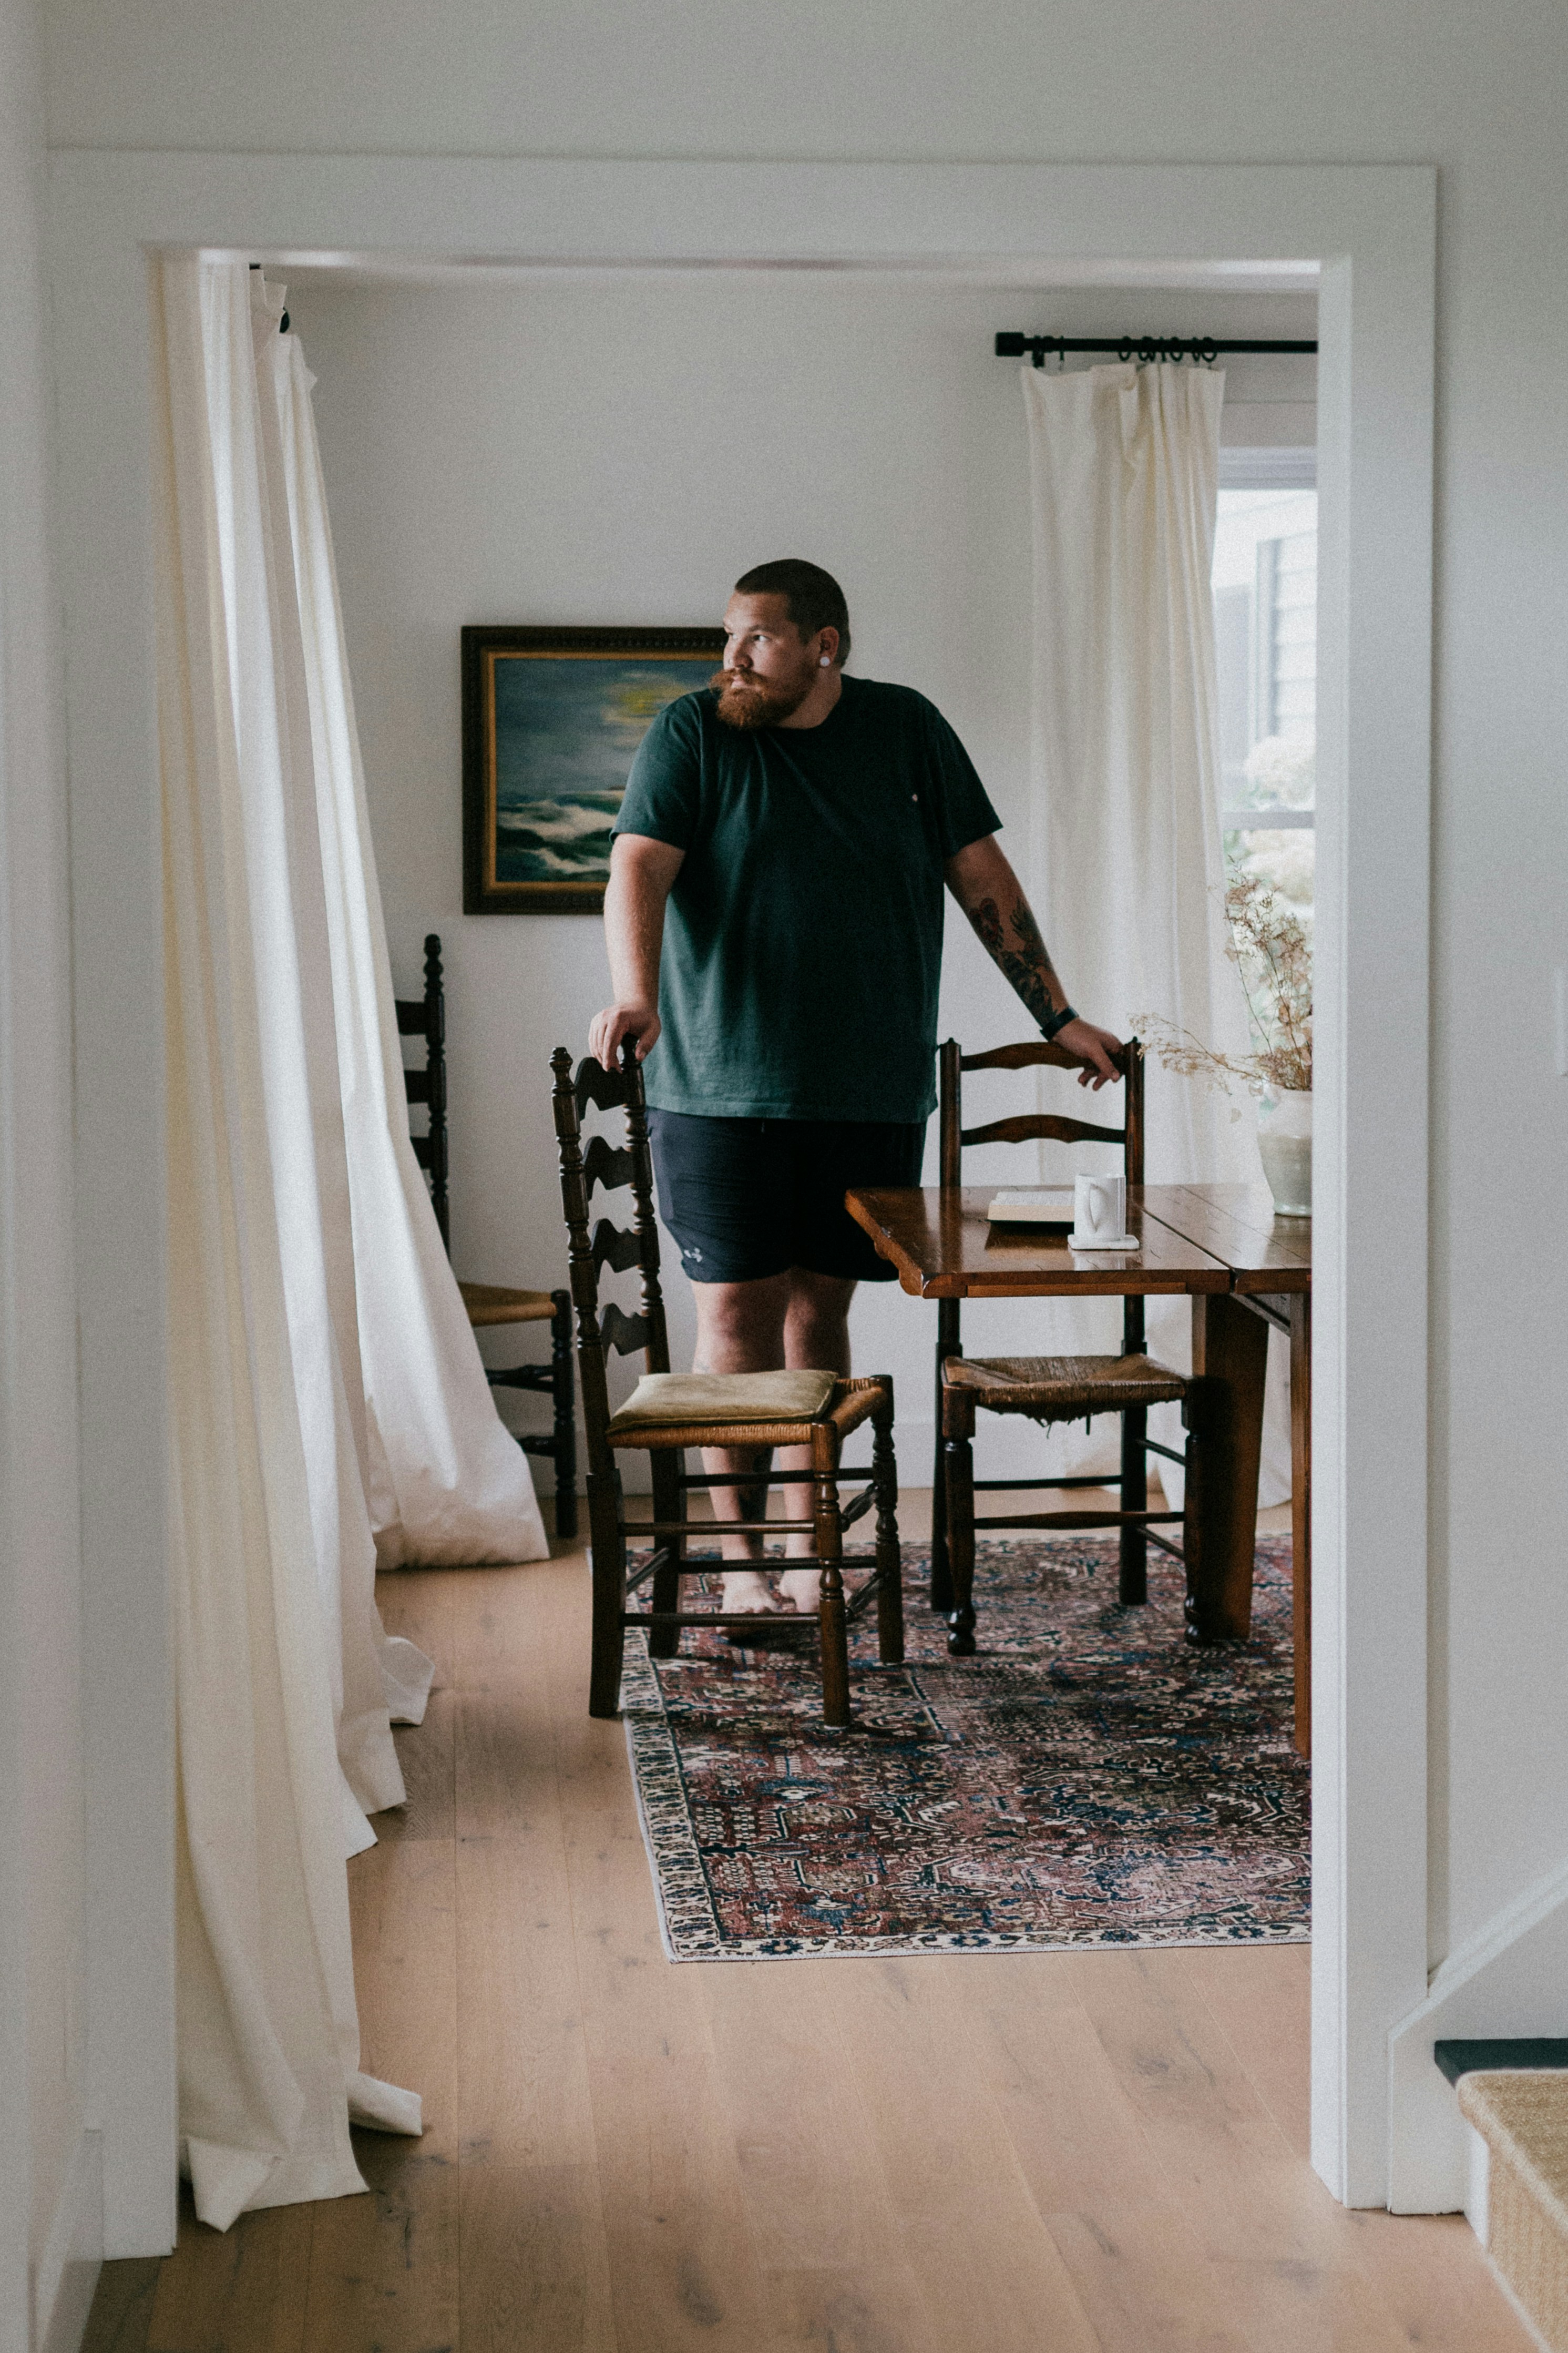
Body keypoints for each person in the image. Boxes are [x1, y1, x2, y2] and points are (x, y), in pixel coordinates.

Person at [589, 558, 1122, 1618]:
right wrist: (633, 994)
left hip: (867, 1087)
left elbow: (983, 879)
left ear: (825, 643)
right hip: (717, 1089)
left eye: (760, 638)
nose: (734, 657)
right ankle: (743, 1569)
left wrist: (1054, 1017)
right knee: (734, 1317)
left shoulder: (908, 729)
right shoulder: (693, 733)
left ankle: (806, 1550)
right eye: (730, 635)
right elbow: (638, 867)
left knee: (821, 1313)